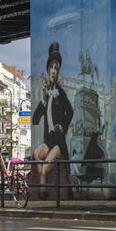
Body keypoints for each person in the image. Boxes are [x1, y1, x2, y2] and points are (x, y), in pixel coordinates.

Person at [31, 42, 73, 198]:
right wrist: (43, 99)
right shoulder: (47, 94)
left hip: (58, 141)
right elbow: (35, 120)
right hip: (48, 139)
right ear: (48, 70)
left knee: (44, 168)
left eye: (57, 68)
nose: (54, 70)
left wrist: (63, 126)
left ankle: (43, 193)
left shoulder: (60, 93)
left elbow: (70, 111)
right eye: (52, 67)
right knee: (36, 154)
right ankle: (43, 191)